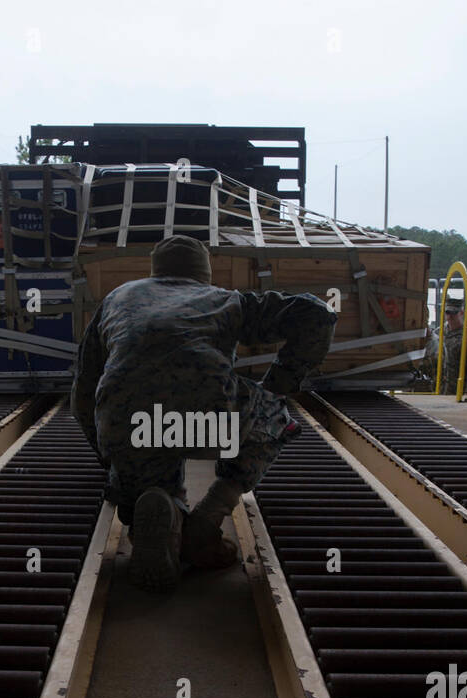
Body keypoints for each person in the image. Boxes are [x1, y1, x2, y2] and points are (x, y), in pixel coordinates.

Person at [72, 234, 336, 593]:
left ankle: (159, 508)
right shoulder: (223, 300)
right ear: (203, 273)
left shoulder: (118, 298)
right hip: (207, 424)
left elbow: (83, 395)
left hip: (128, 426)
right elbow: (317, 315)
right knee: (275, 417)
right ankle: (207, 520)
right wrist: (276, 387)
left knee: (147, 464)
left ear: (155, 270)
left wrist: (112, 457)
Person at [418, 295, 467, 395]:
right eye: (447, 312)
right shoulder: (439, 332)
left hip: (456, 392)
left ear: (461, 313)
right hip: (438, 390)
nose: (449, 316)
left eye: (453, 313)